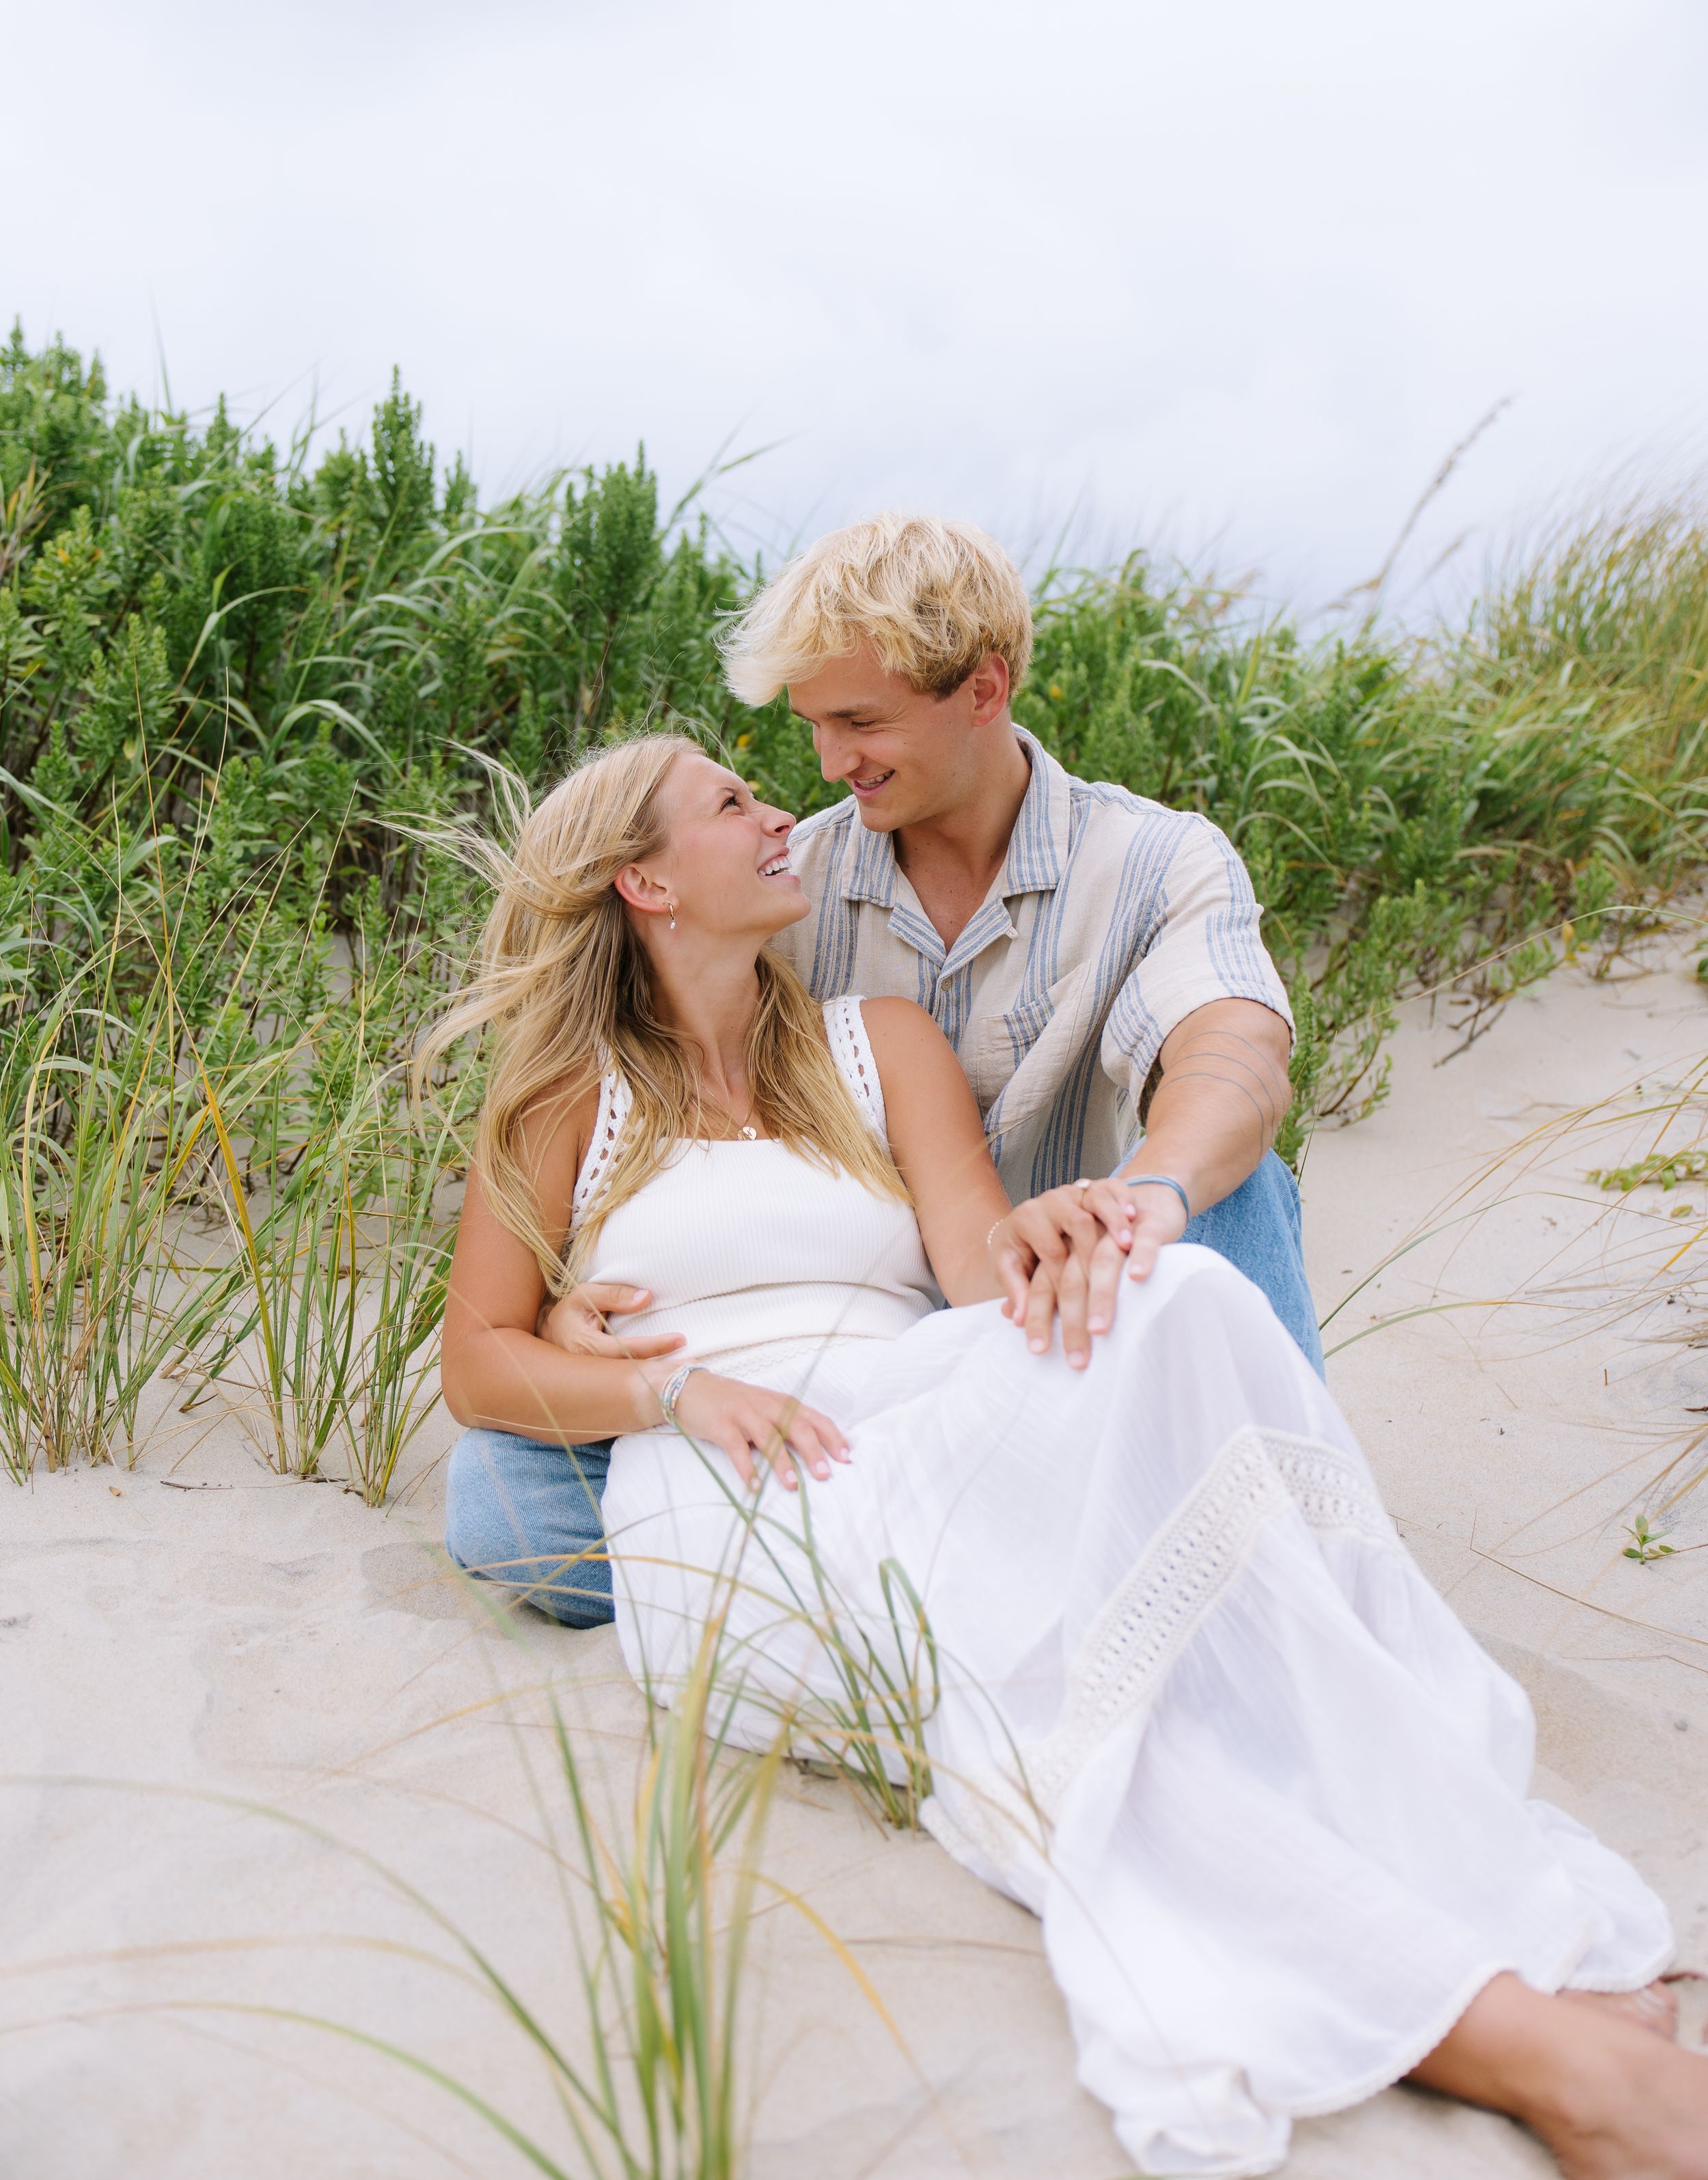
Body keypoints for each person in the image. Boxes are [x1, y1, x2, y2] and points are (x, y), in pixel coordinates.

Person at [433, 733, 1705, 2180]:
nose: (777, 807)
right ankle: (1539, 2055)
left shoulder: (873, 1041)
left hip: (919, 1395)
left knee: (1182, 1299)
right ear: (644, 882)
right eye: (731, 803)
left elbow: (978, 1276)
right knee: (1049, 1716)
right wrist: (671, 1396)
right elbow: (477, 1361)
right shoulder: (566, 1095)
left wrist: (1060, 1243)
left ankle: (1455, 1867)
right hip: (734, 1463)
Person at [449, 515, 1317, 1623]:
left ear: (984, 688)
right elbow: (646, 1089)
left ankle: (1272, 1552)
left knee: (1245, 1194)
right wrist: (581, 1338)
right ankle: (957, 1556)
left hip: (1058, 1306)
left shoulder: (1152, 860)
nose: (823, 767)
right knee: (498, 1496)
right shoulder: (787, 877)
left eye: (860, 721)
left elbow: (1233, 1044)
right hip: (806, 1378)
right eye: (812, 727)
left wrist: (1149, 1193)